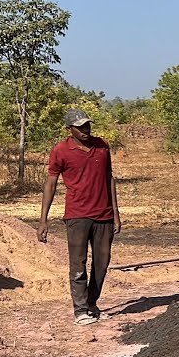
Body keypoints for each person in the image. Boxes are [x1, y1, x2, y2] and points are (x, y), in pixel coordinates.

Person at [39, 109, 121, 325]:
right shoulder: (61, 150)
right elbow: (51, 184)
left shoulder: (102, 146)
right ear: (70, 129)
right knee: (78, 264)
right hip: (77, 215)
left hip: (104, 214)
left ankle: (92, 303)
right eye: (80, 127)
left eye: (87, 125)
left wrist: (116, 213)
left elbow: (109, 178)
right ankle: (80, 310)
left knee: (102, 263)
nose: (85, 130)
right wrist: (43, 220)